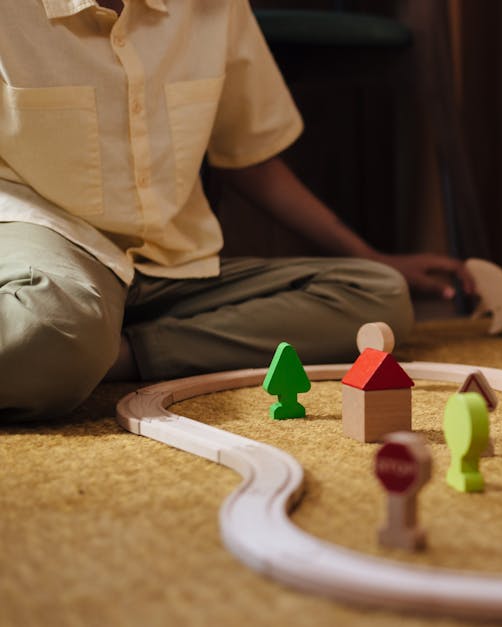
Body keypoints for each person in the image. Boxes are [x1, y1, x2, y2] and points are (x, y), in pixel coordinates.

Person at [0, 0, 473, 422]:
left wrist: (375, 257)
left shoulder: (216, 7)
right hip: (52, 238)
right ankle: (80, 342)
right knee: (39, 335)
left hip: (175, 266)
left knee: (380, 297)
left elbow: (254, 159)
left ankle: (112, 354)